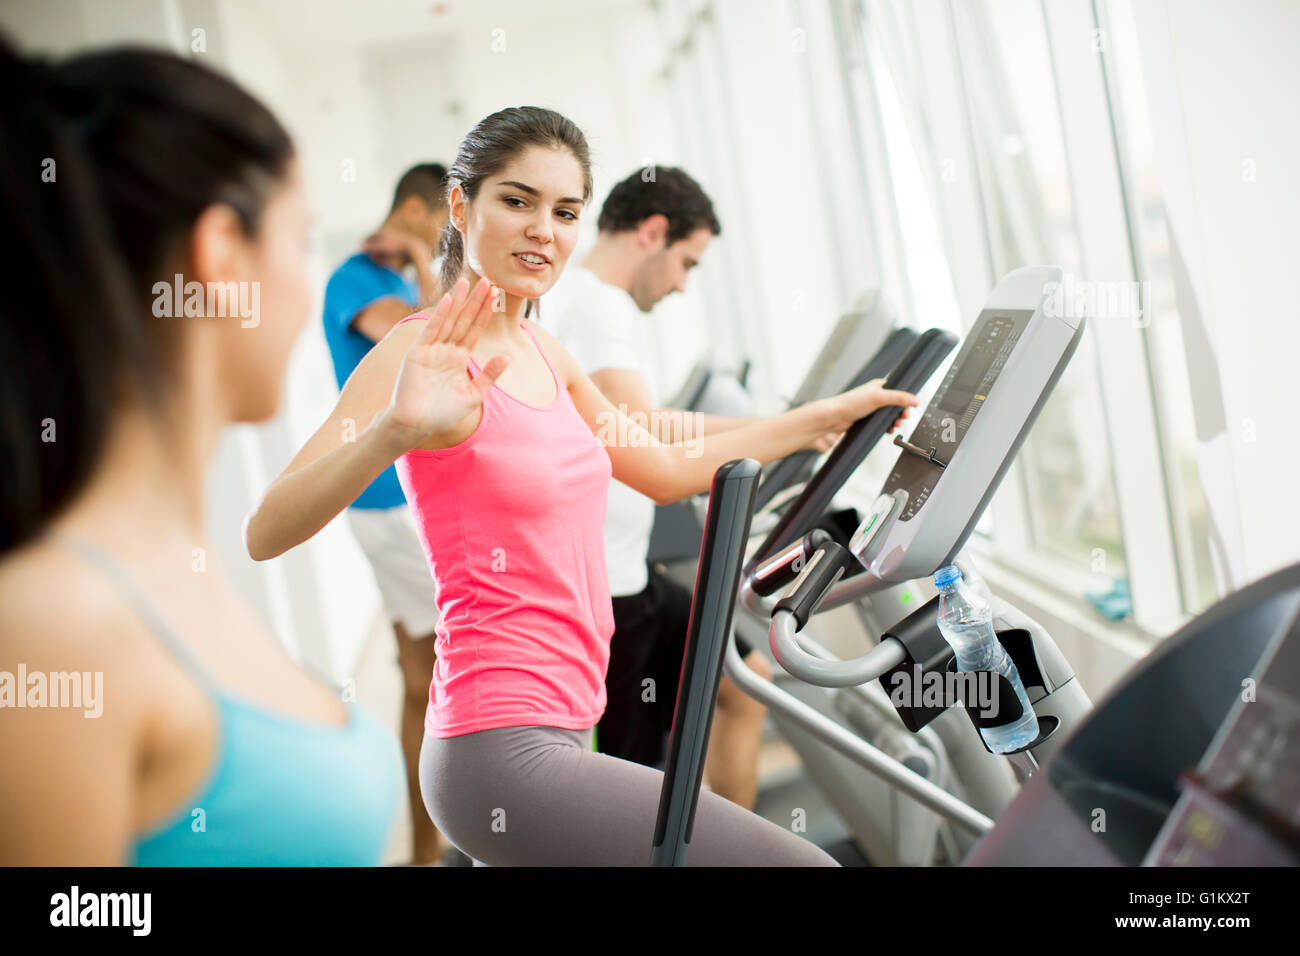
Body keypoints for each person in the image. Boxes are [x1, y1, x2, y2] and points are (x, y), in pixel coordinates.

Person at [244, 106, 918, 865]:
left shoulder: (546, 352)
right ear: (462, 205)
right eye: (518, 201)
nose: (544, 229)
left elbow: (657, 461)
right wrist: (392, 431)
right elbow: (265, 529)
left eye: (565, 211)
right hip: (497, 745)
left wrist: (815, 420)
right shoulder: (416, 348)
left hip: (564, 719)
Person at [0, 41, 402, 865]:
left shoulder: (169, 566)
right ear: (222, 257)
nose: (307, 285)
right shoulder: (53, 626)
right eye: (299, 241)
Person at [544, 167, 811, 808]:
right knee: (637, 788)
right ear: (653, 232)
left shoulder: (576, 297)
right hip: (608, 590)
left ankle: (730, 848)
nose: (683, 284)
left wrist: (784, 429)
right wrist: (793, 426)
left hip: (624, 571)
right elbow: (647, 432)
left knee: (743, 684)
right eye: (685, 262)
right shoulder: (600, 304)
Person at [322, 162, 452, 865]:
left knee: (417, 675)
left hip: (401, 497)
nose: (439, 244)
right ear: (411, 209)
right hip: (386, 501)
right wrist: (425, 269)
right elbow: (424, 345)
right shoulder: (355, 279)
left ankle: (429, 849)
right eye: (437, 227)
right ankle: (441, 838)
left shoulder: (400, 281)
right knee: (440, 669)